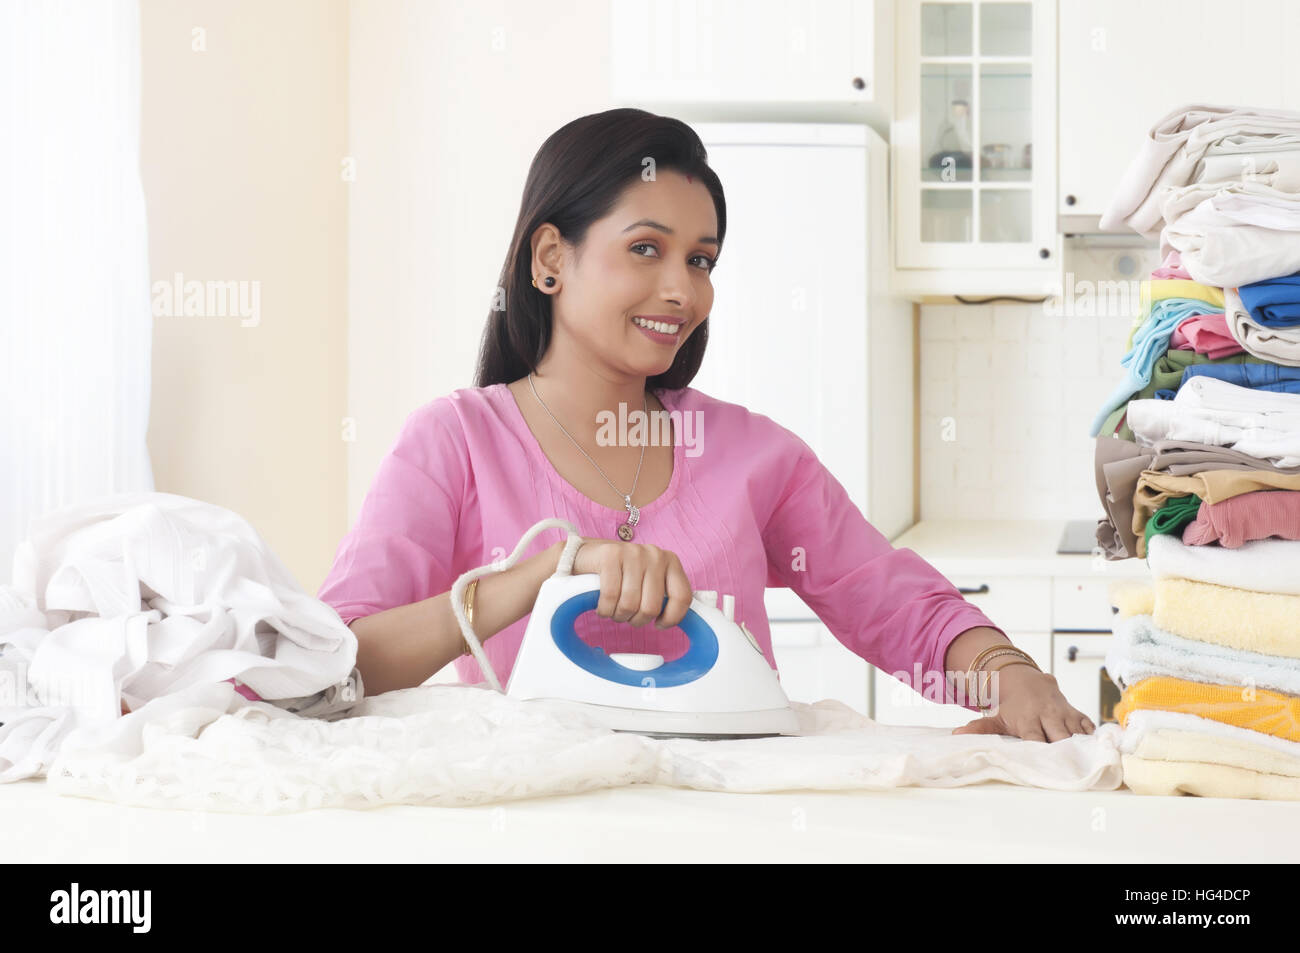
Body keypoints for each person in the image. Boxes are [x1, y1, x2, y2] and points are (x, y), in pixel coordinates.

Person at [317, 107, 1095, 743]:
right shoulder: (455, 443)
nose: (681, 291)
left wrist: (1007, 670)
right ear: (551, 257)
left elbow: (891, 602)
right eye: (647, 249)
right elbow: (338, 663)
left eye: (701, 260)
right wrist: (536, 577)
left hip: (740, 822)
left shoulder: (753, 455)